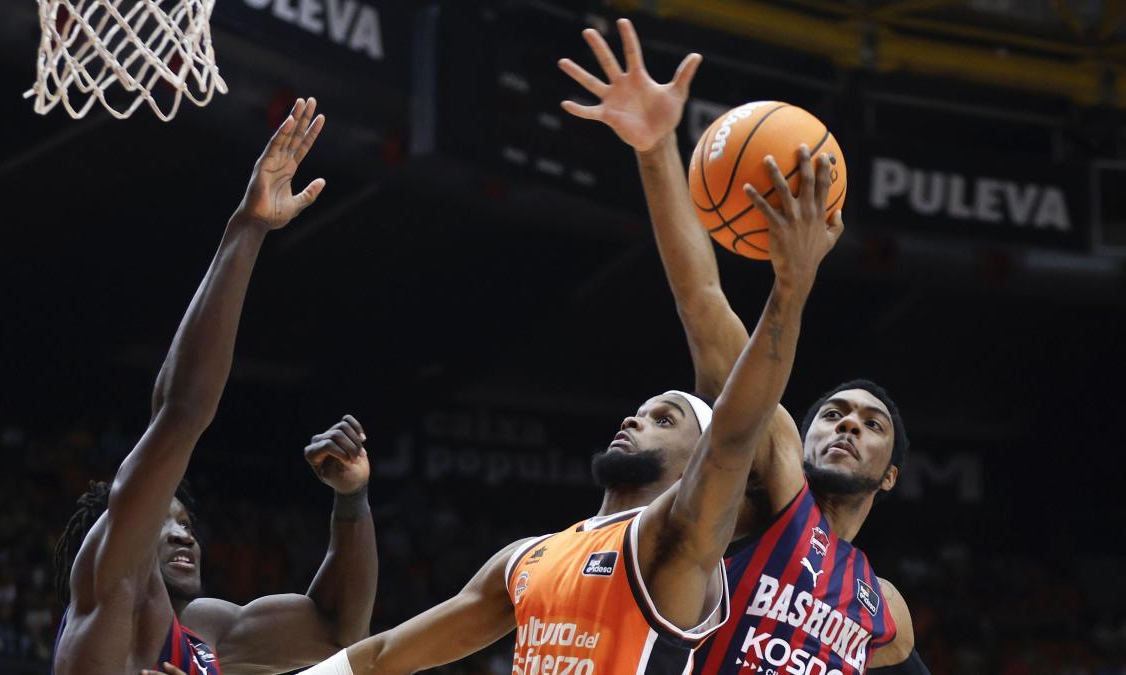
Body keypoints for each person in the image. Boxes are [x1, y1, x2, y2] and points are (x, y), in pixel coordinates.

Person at [298, 59, 843, 675]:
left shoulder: (674, 540)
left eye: (665, 419)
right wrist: (653, 146)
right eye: (642, 413)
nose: (635, 421)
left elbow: (732, 412)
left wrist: (790, 289)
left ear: (698, 458)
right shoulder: (526, 558)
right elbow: (381, 656)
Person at [557, 18, 926, 674]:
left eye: (872, 424)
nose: (847, 424)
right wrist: (655, 148)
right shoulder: (763, 498)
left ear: (891, 474)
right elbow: (702, 302)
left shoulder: (886, 611)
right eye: (832, 414)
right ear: (798, 439)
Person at [51, 98, 379, 675]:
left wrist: (351, 498)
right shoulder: (106, 598)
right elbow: (179, 414)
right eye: (164, 520)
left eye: (186, 523)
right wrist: (247, 228)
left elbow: (338, 630)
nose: (183, 535)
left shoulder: (206, 634)